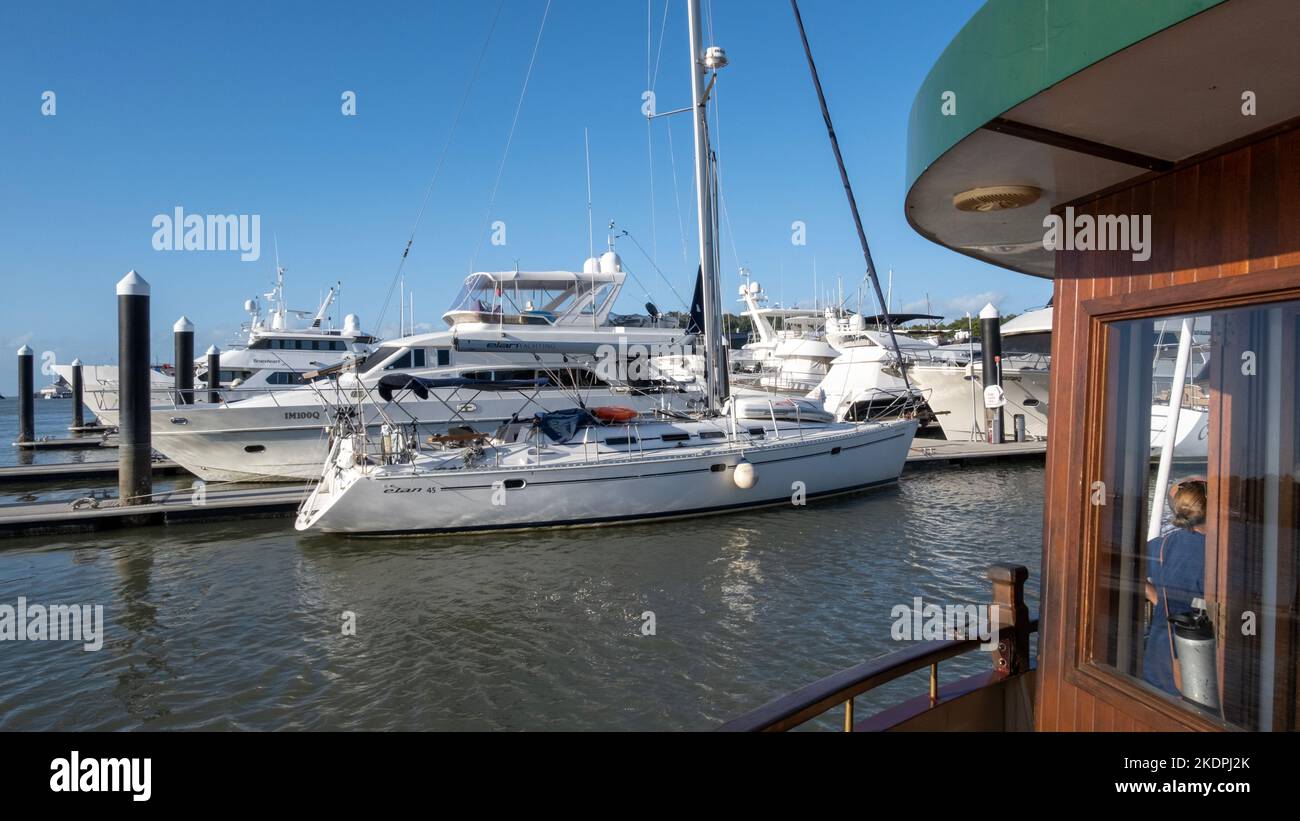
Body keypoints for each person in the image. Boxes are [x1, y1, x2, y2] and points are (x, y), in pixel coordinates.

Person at [1143, 478, 1208, 696]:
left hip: (1161, 656)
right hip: (1204, 661)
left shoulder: (1162, 546)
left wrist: (1158, 599)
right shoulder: (1223, 552)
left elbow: (1125, 568)